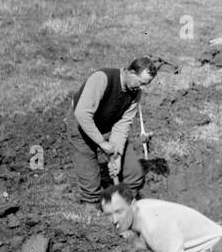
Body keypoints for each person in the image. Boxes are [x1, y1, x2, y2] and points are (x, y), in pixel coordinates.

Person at [67, 57, 156, 204]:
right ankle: (94, 213)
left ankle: (126, 203)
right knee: (91, 190)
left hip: (108, 125)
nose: (142, 88)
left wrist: (117, 157)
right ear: (130, 72)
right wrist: (102, 143)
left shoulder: (135, 93)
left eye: (146, 84)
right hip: (81, 126)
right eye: (141, 82)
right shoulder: (102, 78)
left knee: (134, 174)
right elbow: (82, 113)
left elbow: (122, 125)